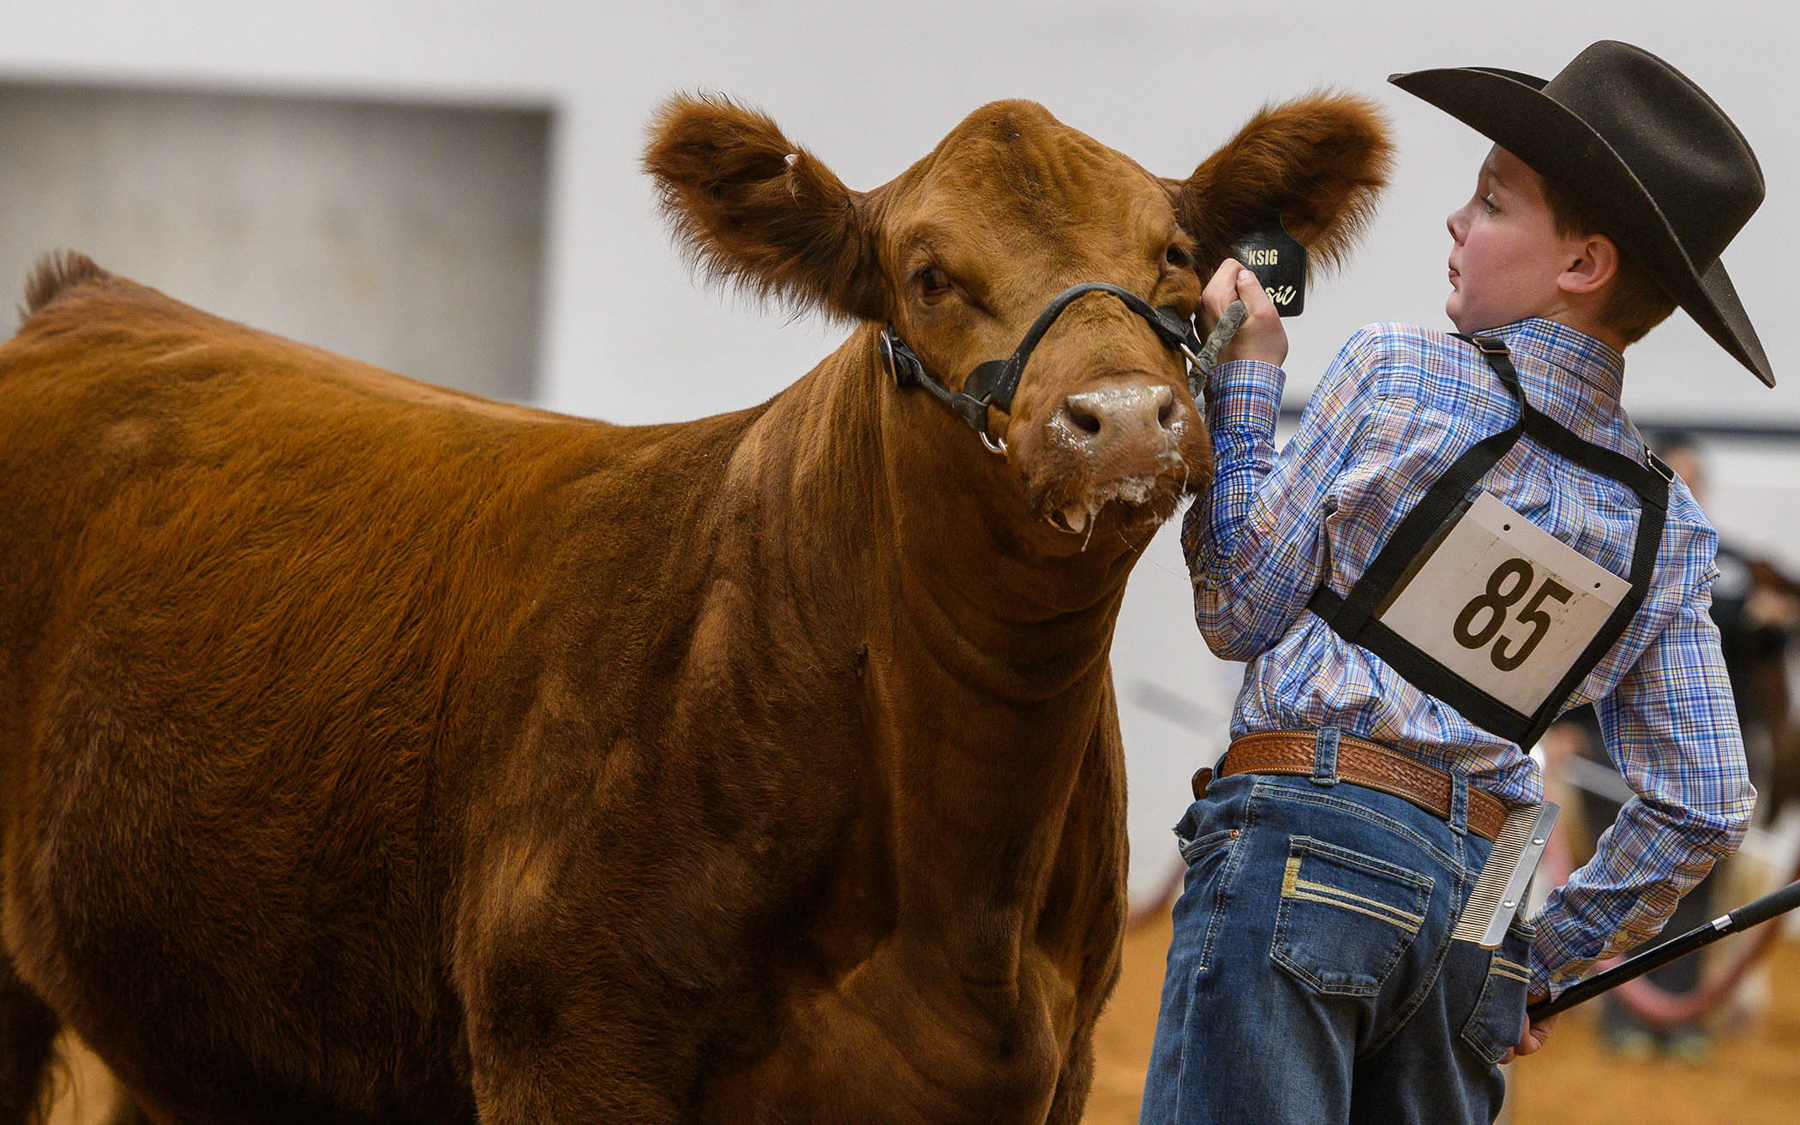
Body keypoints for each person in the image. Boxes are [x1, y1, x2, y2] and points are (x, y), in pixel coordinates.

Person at [1140, 41, 1768, 1125]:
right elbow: (1703, 801)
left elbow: (1236, 606)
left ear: (1583, 265)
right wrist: (1537, 956)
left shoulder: (1397, 372)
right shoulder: (1669, 528)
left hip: (1301, 840)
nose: (1454, 223)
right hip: (1474, 912)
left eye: (1491, 202)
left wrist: (1247, 383)